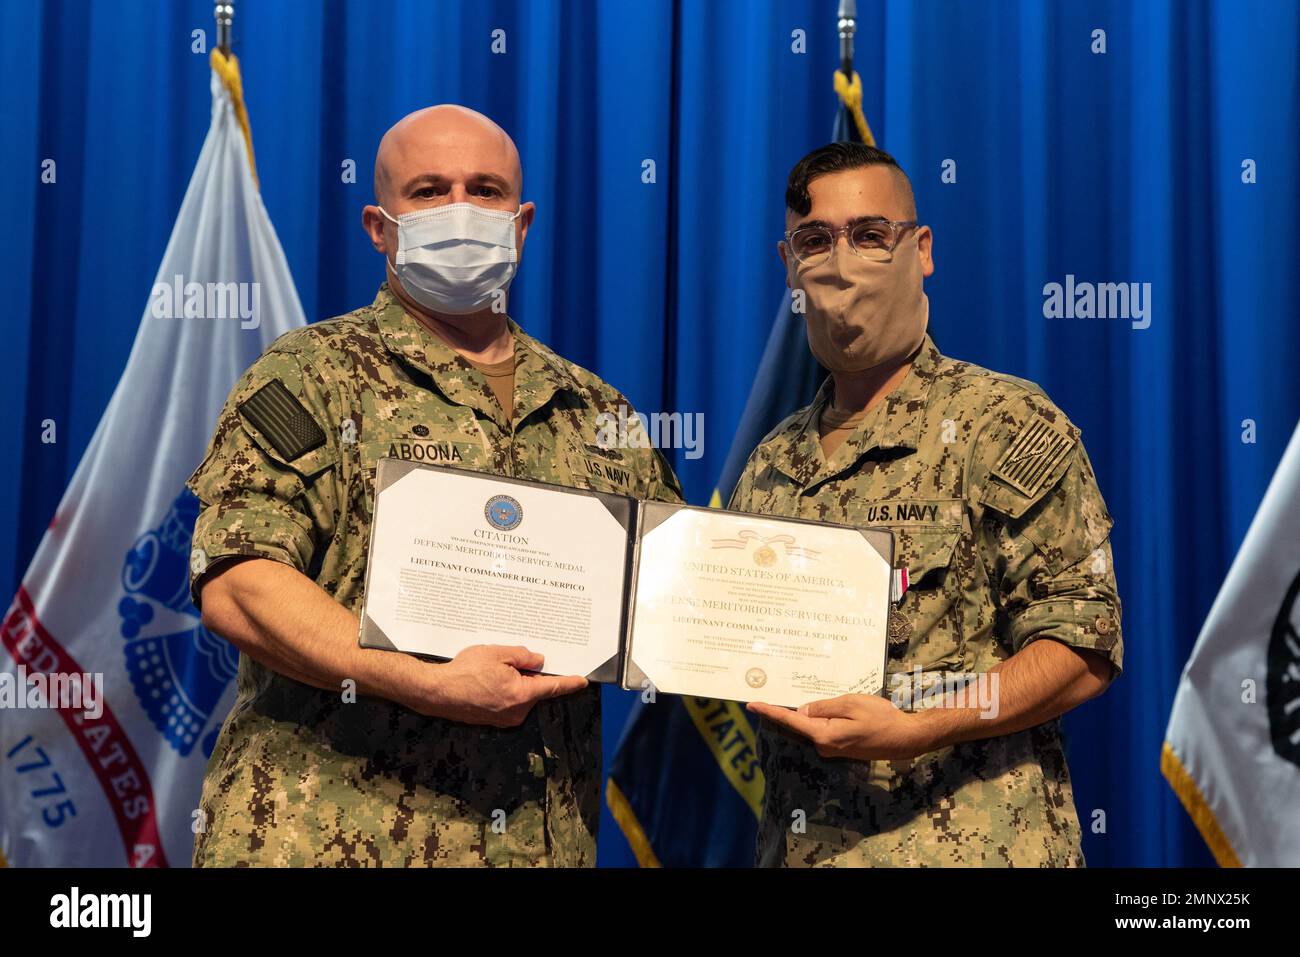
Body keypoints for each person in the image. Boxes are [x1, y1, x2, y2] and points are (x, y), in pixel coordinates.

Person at [187, 105, 681, 866]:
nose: (459, 208)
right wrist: (420, 681)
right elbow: (238, 582)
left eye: (484, 189)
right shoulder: (309, 374)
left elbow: (673, 600)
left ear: (521, 223)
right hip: (333, 840)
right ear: (378, 225)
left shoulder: (595, 408)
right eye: (428, 190)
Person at [734, 142, 1122, 866]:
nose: (842, 261)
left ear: (922, 249)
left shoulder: (1004, 423)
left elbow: (1082, 646)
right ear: (788, 261)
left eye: (871, 235)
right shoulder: (769, 466)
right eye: (816, 239)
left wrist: (919, 725)